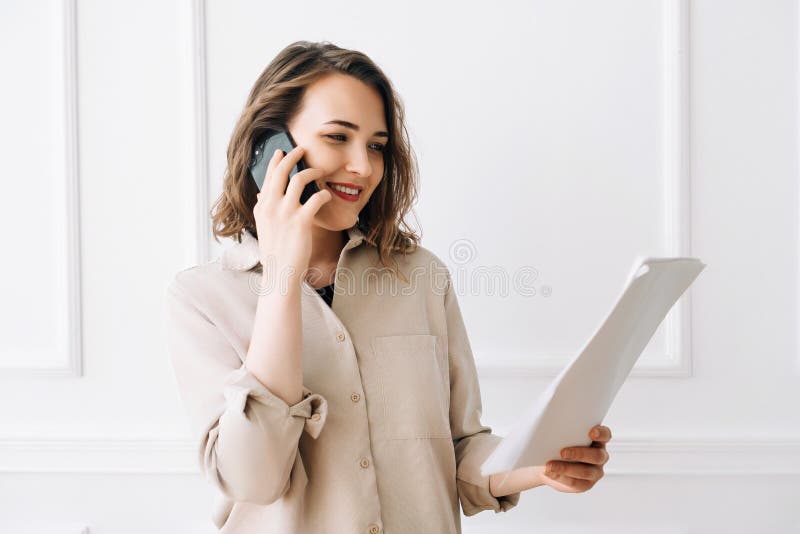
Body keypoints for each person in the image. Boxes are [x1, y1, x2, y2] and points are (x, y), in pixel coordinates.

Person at [164, 40, 612, 534]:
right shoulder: (202, 299)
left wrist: (543, 465)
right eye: (338, 137)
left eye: (376, 145)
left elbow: (457, 451)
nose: (364, 166)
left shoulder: (422, 278)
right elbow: (254, 479)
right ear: (271, 149)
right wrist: (281, 279)